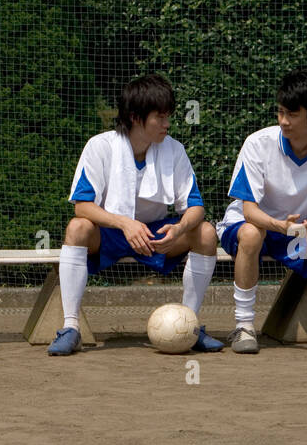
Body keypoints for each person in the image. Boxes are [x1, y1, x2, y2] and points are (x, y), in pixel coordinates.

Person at [49, 73, 223, 356]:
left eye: (169, 117)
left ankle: (189, 328)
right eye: (160, 117)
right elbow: (82, 205)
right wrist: (124, 224)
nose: (168, 124)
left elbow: (196, 208)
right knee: (78, 227)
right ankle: (71, 328)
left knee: (205, 232)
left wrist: (178, 230)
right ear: (135, 117)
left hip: (157, 235)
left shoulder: (175, 150)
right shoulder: (100, 146)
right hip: (110, 232)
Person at [216, 67, 307, 354]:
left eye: (292, 114)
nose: (283, 121)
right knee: (252, 233)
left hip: (297, 229)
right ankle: (243, 326)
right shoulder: (257, 143)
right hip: (251, 225)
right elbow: (249, 210)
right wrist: (281, 226)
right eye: (280, 112)